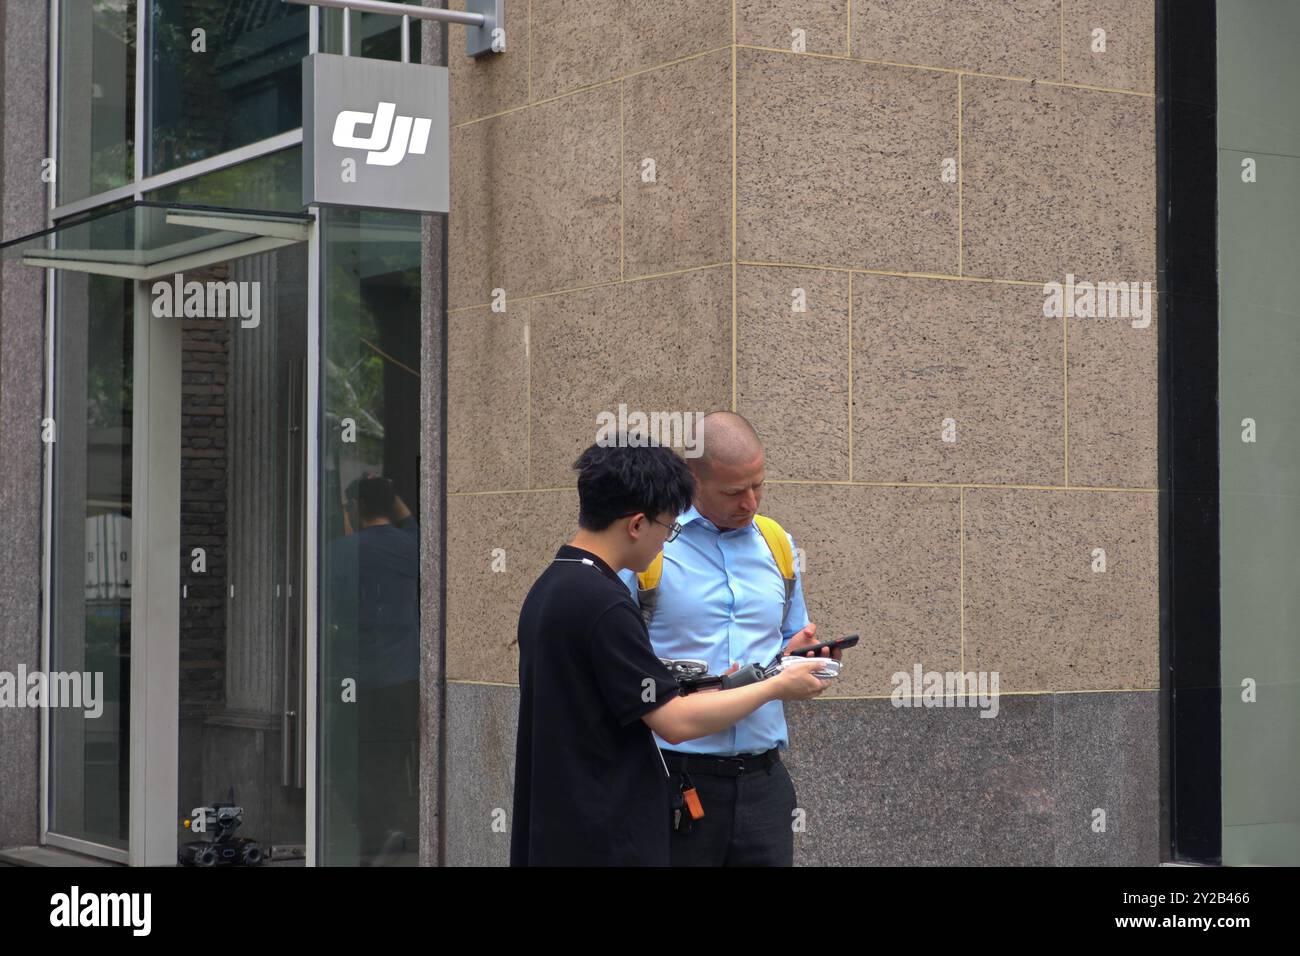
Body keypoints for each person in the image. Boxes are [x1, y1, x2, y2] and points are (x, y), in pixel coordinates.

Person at [510, 439, 830, 866]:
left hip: (564, 825)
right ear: (637, 524)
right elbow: (673, 721)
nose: (667, 542)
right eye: (668, 528)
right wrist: (776, 685)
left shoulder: (554, 585)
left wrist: (733, 681)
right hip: (604, 832)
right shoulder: (604, 605)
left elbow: (621, 691)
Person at [618, 411, 839, 866]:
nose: (751, 502)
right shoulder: (649, 548)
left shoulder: (776, 542)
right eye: (734, 491)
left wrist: (797, 660)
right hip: (674, 780)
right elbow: (616, 662)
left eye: (758, 485)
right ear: (692, 480)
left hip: (764, 784)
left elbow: (784, 644)